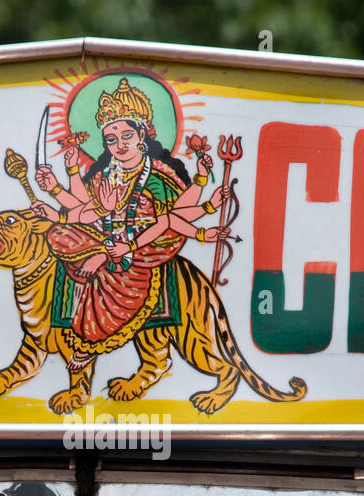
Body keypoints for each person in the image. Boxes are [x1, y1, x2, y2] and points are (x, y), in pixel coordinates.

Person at [26, 78, 231, 369]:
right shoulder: (107, 172)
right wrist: (56, 189)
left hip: (143, 248)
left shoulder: (158, 175)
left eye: (125, 136)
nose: (119, 145)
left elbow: (177, 215)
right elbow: (85, 210)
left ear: (142, 135)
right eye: (111, 139)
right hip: (104, 238)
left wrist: (205, 199)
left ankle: (89, 341)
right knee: (60, 233)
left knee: (113, 285)